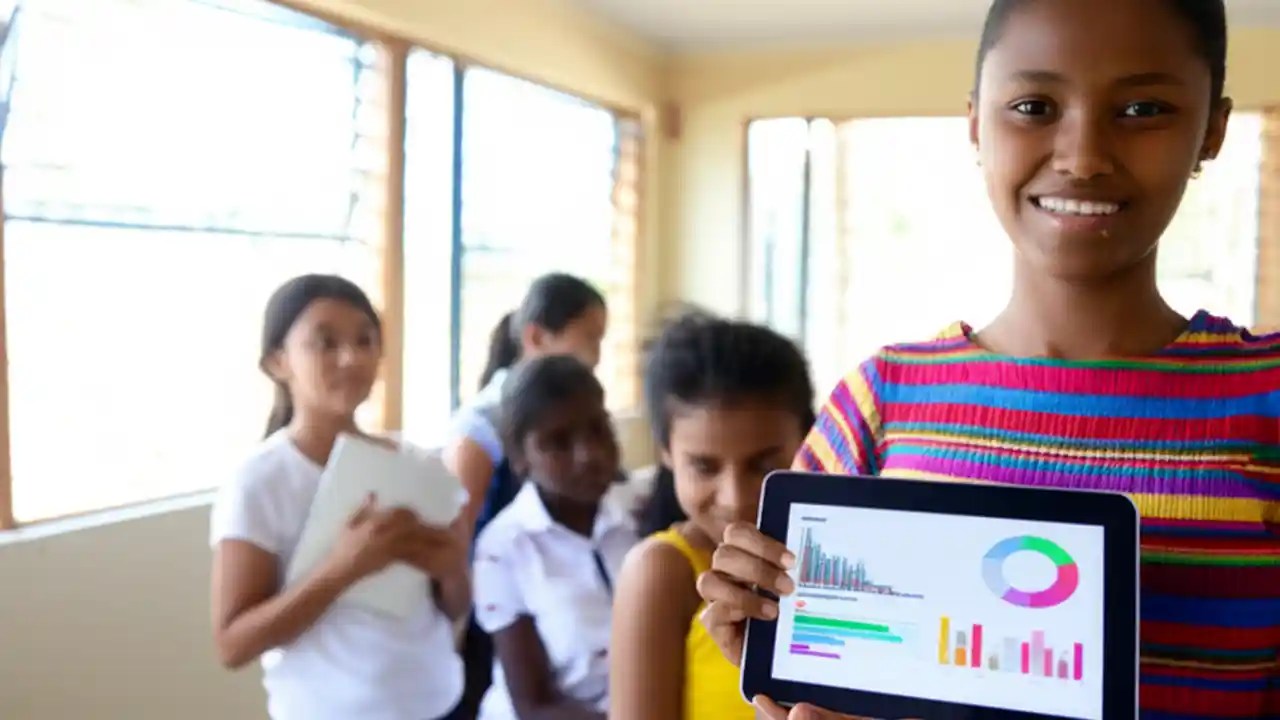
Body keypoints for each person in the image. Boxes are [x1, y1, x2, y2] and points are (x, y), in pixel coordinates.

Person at [694, 1, 1280, 718]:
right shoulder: (882, 401)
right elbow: (816, 685)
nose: (1083, 156)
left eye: (1144, 107)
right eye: (1034, 105)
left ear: (1211, 131)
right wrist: (772, 666)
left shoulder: (1268, 395)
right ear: (976, 124)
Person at [209, 274, 469, 720]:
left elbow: (454, 605)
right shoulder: (259, 481)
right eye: (324, 343)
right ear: (277, 362)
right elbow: (233, 644)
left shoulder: (418, 466)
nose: (350, 358)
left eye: (365, 341)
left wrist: (451, 570)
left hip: (438, 703)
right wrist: (342, 569)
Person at [609, 312, 816, 720]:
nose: (735, 498)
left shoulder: (833, 566)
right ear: (666, 452)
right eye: (704, 467)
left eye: (764, 464)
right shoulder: (662, 572)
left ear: (810, 438)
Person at [445, 272, 608, 718]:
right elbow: (455, 531)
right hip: (499, 605)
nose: (596, 355)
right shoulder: (481, 425)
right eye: (590, 338)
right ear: (536, 337)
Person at [471, 354, 637, 720]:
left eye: (598, 429)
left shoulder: (637, 516)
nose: (588, 455)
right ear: (519, 456)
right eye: (558, 442)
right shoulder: (504, 549)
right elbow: (534, 704)